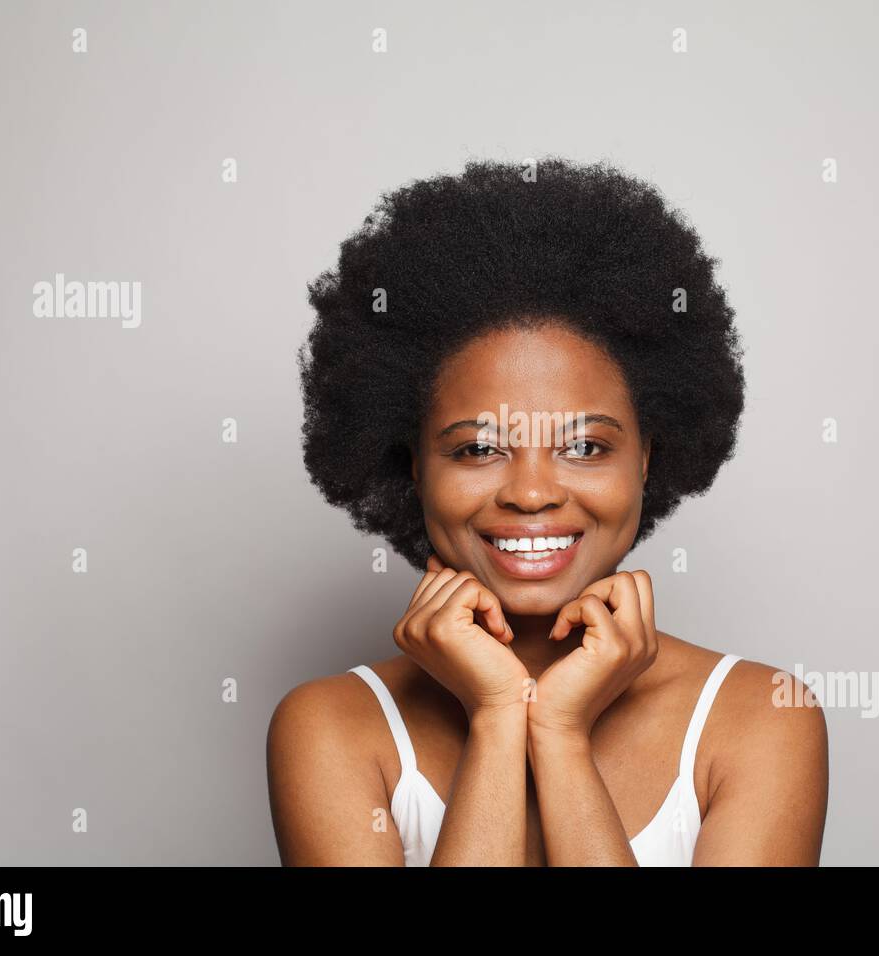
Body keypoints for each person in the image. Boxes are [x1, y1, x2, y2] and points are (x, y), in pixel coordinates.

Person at [267, 156, 828, 865]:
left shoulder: (763, 718)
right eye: (477, 450)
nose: (531, 493)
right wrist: (501, 718)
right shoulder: (330, 728)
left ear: (647, 457)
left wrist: (558, 733)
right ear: (415, 466)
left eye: (586, 446)